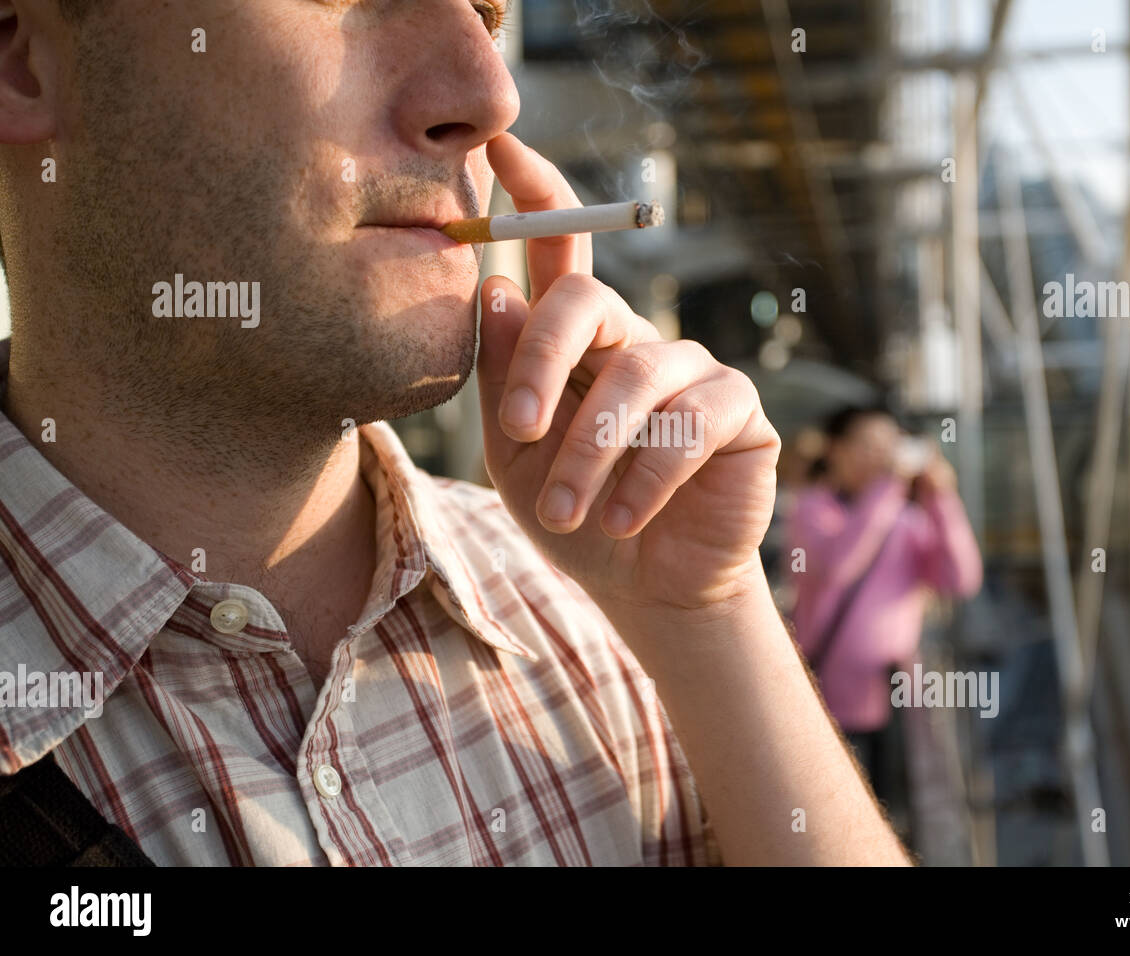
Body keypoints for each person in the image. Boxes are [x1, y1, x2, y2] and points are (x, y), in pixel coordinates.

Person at [0, 1, 909, 865]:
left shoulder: (599, 619)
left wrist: (708, 621)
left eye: (487, 11)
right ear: (23, 59)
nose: (489, 94)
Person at [788, 403, 983, 847]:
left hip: (893, 699)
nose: (880, 457)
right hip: (826, 700)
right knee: (826, 817)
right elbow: (839, 565)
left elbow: (959, 578)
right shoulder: (813, 509)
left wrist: (942, 498)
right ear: (835, 450)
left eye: (889, 446)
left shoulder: (904, 518)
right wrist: (891, 486)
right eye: (867, 445)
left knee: (892, 816)